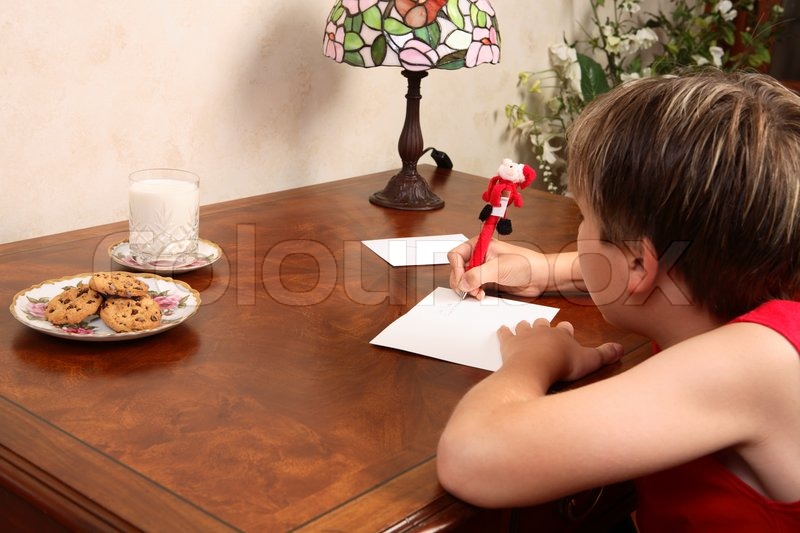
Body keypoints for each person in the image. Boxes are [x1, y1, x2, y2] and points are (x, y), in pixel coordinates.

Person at [437, 70, 800, 531]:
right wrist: (545, 269)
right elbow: (663, 270)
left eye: (584, 217)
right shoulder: (767, 287)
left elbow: (470, 457)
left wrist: (531, 360)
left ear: (637, 265)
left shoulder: (754, 366)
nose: (579, 232)